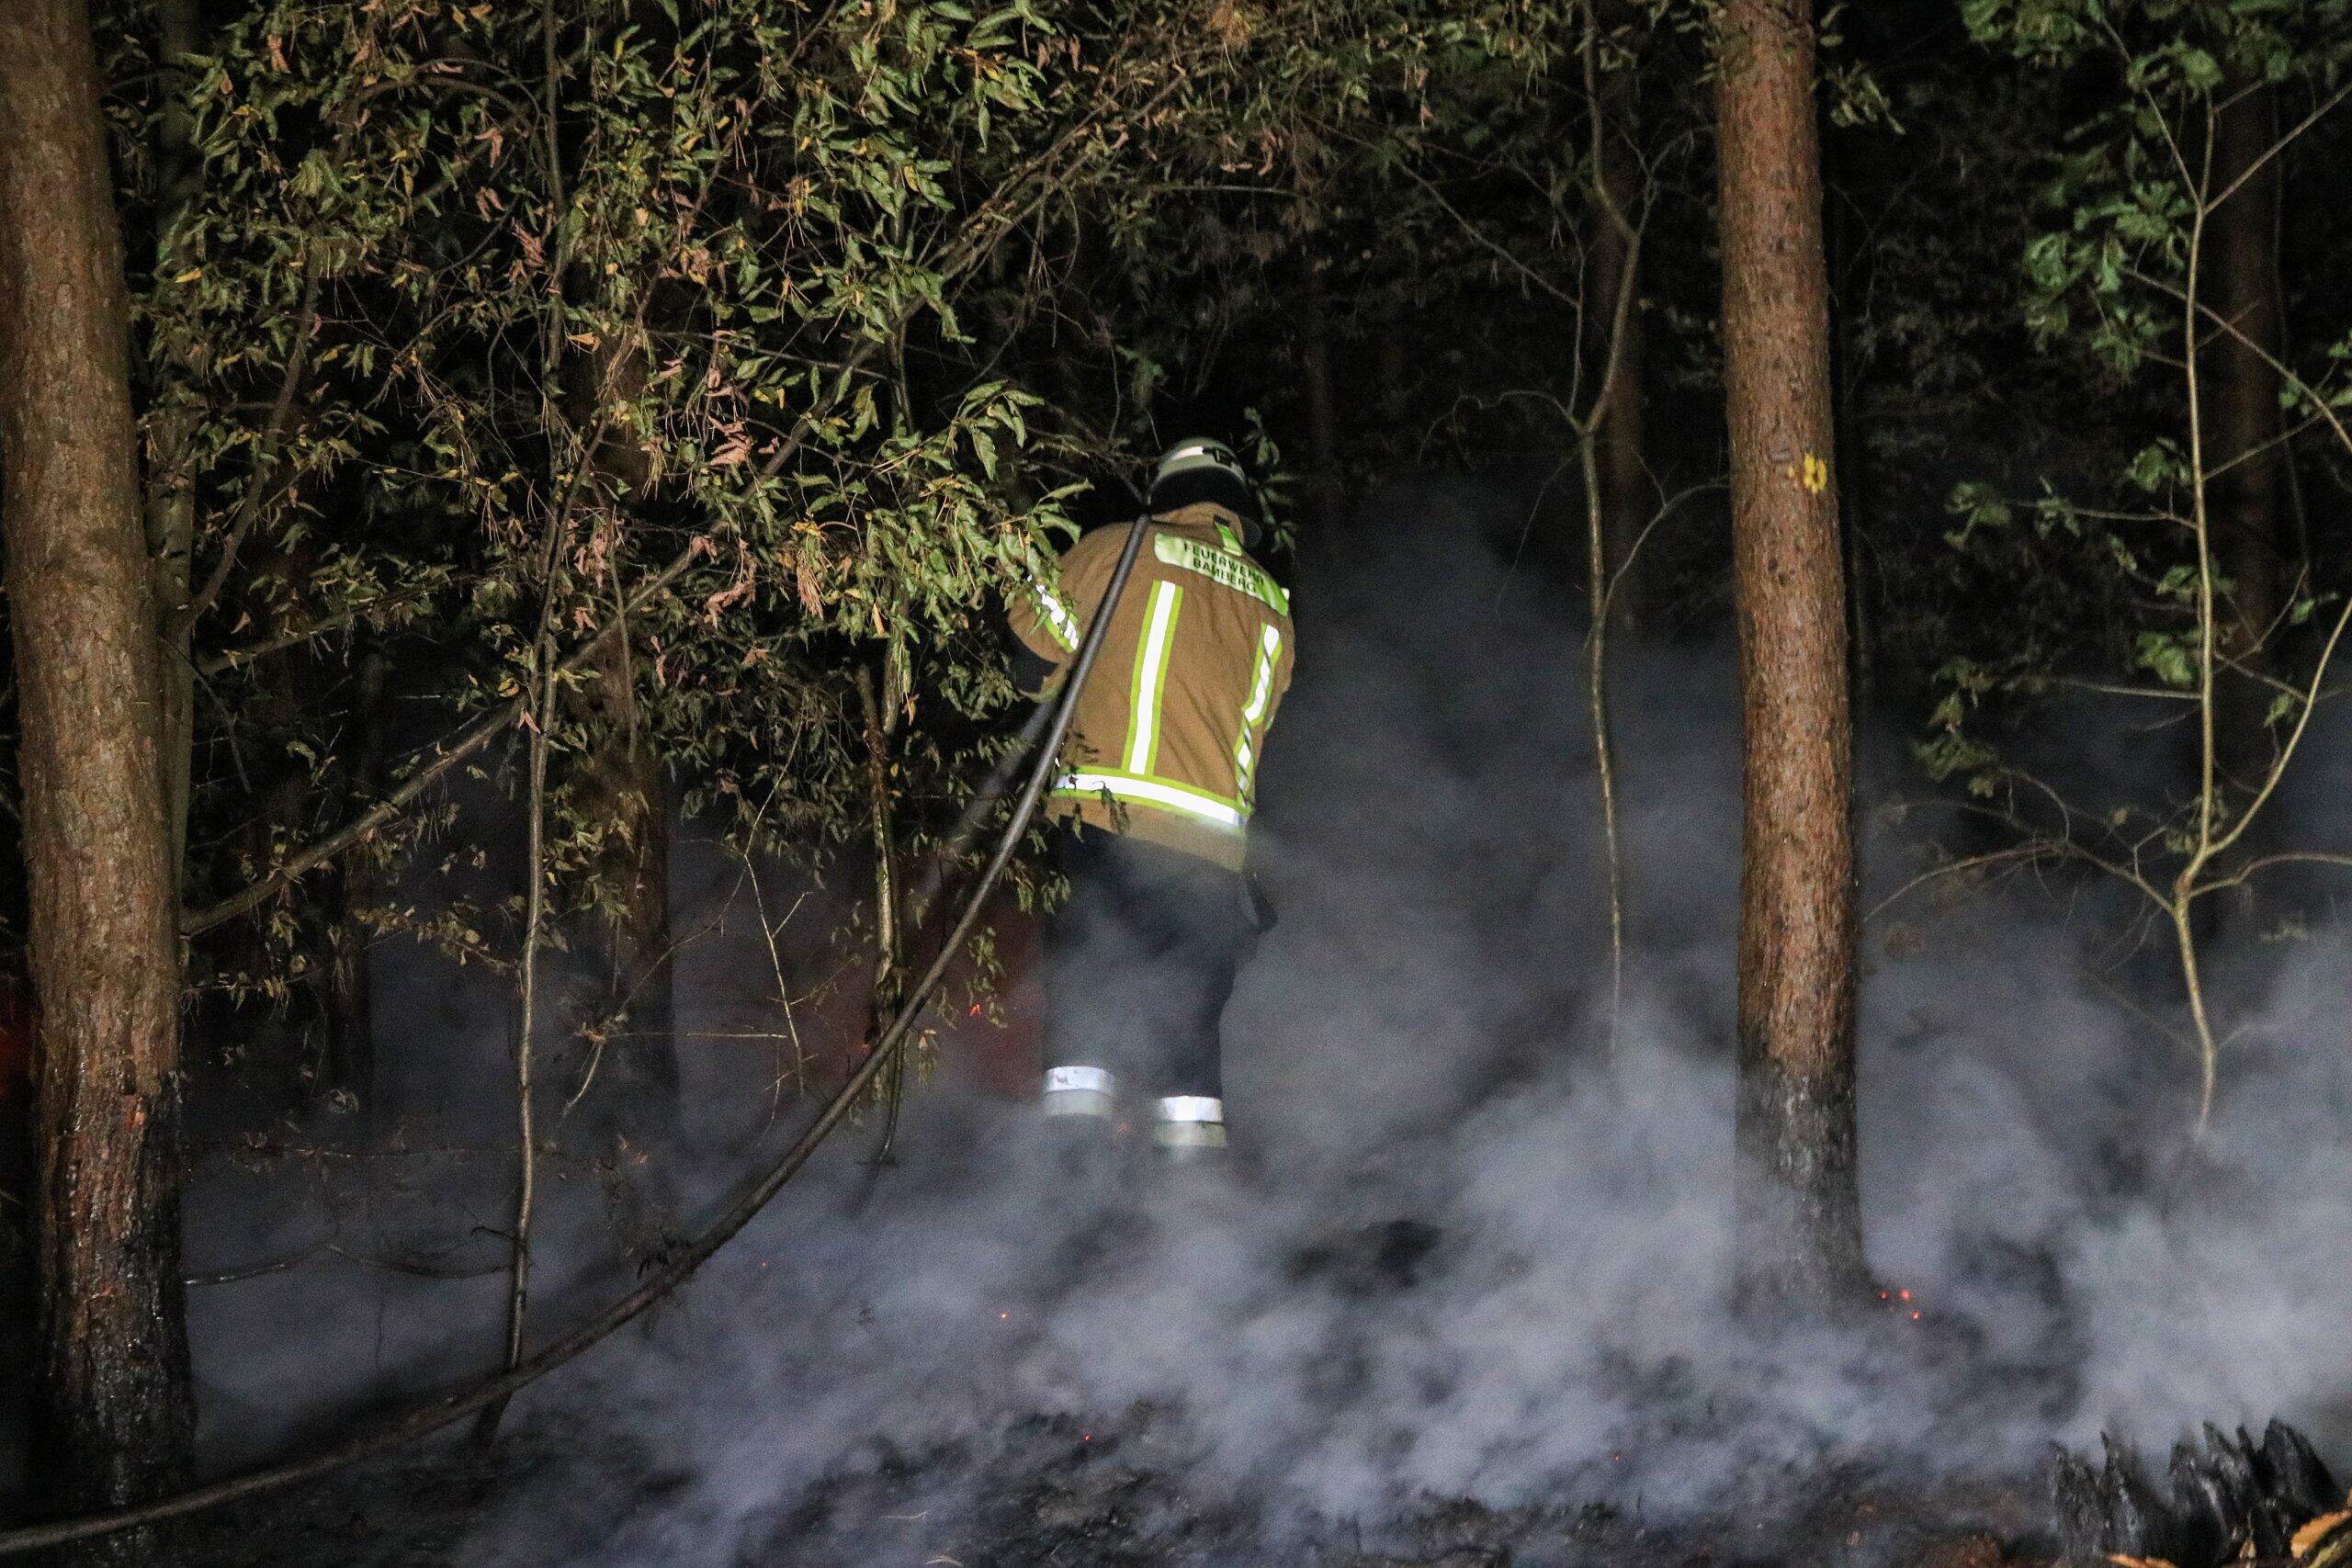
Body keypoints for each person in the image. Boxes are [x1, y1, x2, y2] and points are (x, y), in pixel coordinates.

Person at [1006, 438, 1295, 1164]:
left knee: (1086, 1015)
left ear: (1164, 495)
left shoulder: (1117, 549)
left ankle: (1071, 1185)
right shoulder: (1272, 607)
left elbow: (1028, 664)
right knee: (1189, 1033)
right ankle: (1194, 1197)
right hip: (1211, 856)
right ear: (1235, 512)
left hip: (1107, 826)